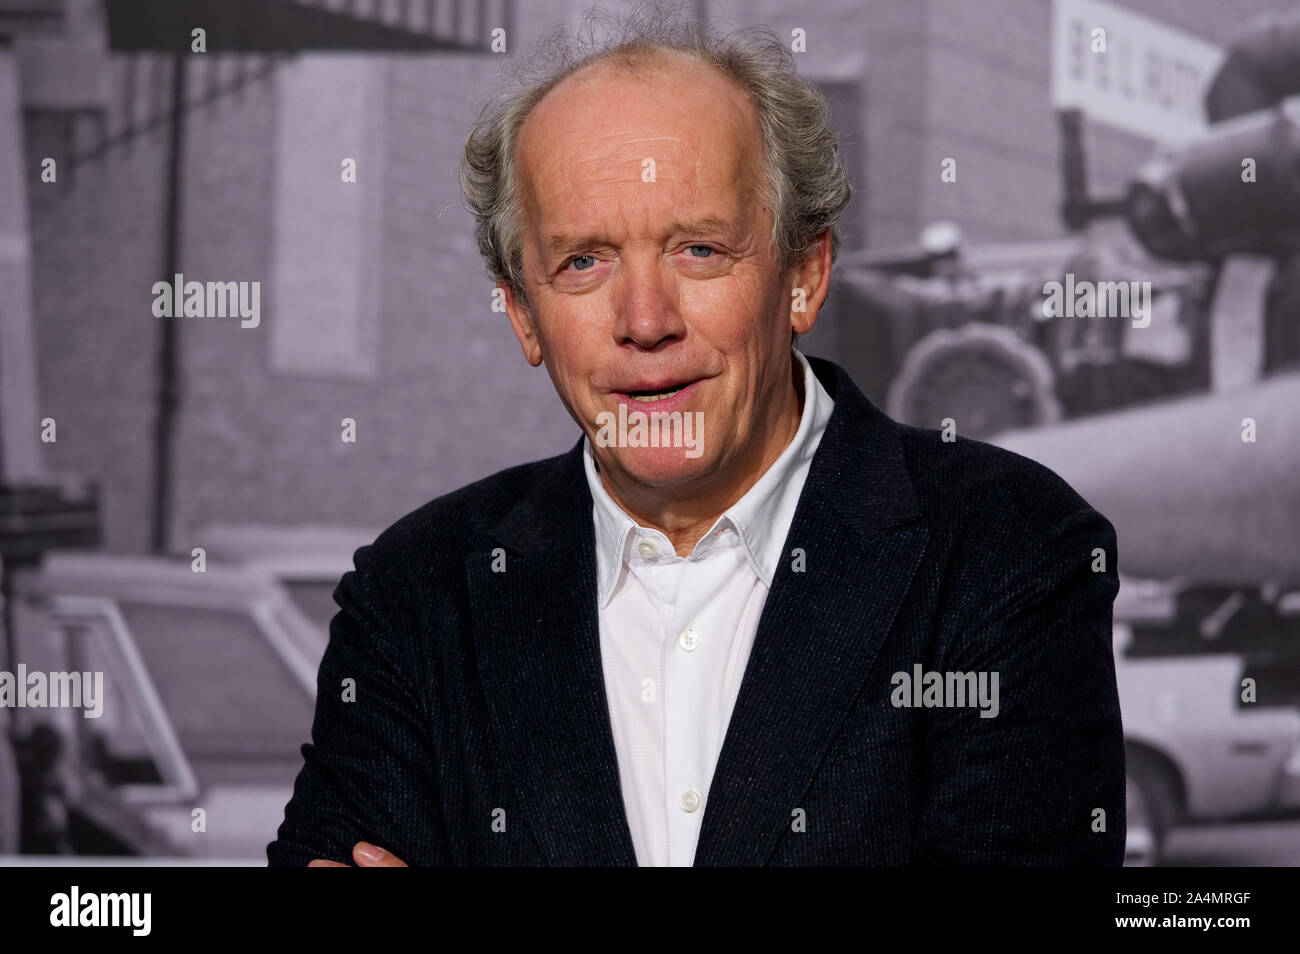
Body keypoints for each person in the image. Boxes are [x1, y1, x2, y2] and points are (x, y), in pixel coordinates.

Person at [268, 12, 1125, 868]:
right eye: (583, 263)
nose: (645, 321)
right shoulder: (414, 598)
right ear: (524, 314)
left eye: (700, 249)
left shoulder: (1009, 553)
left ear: (804, 276)